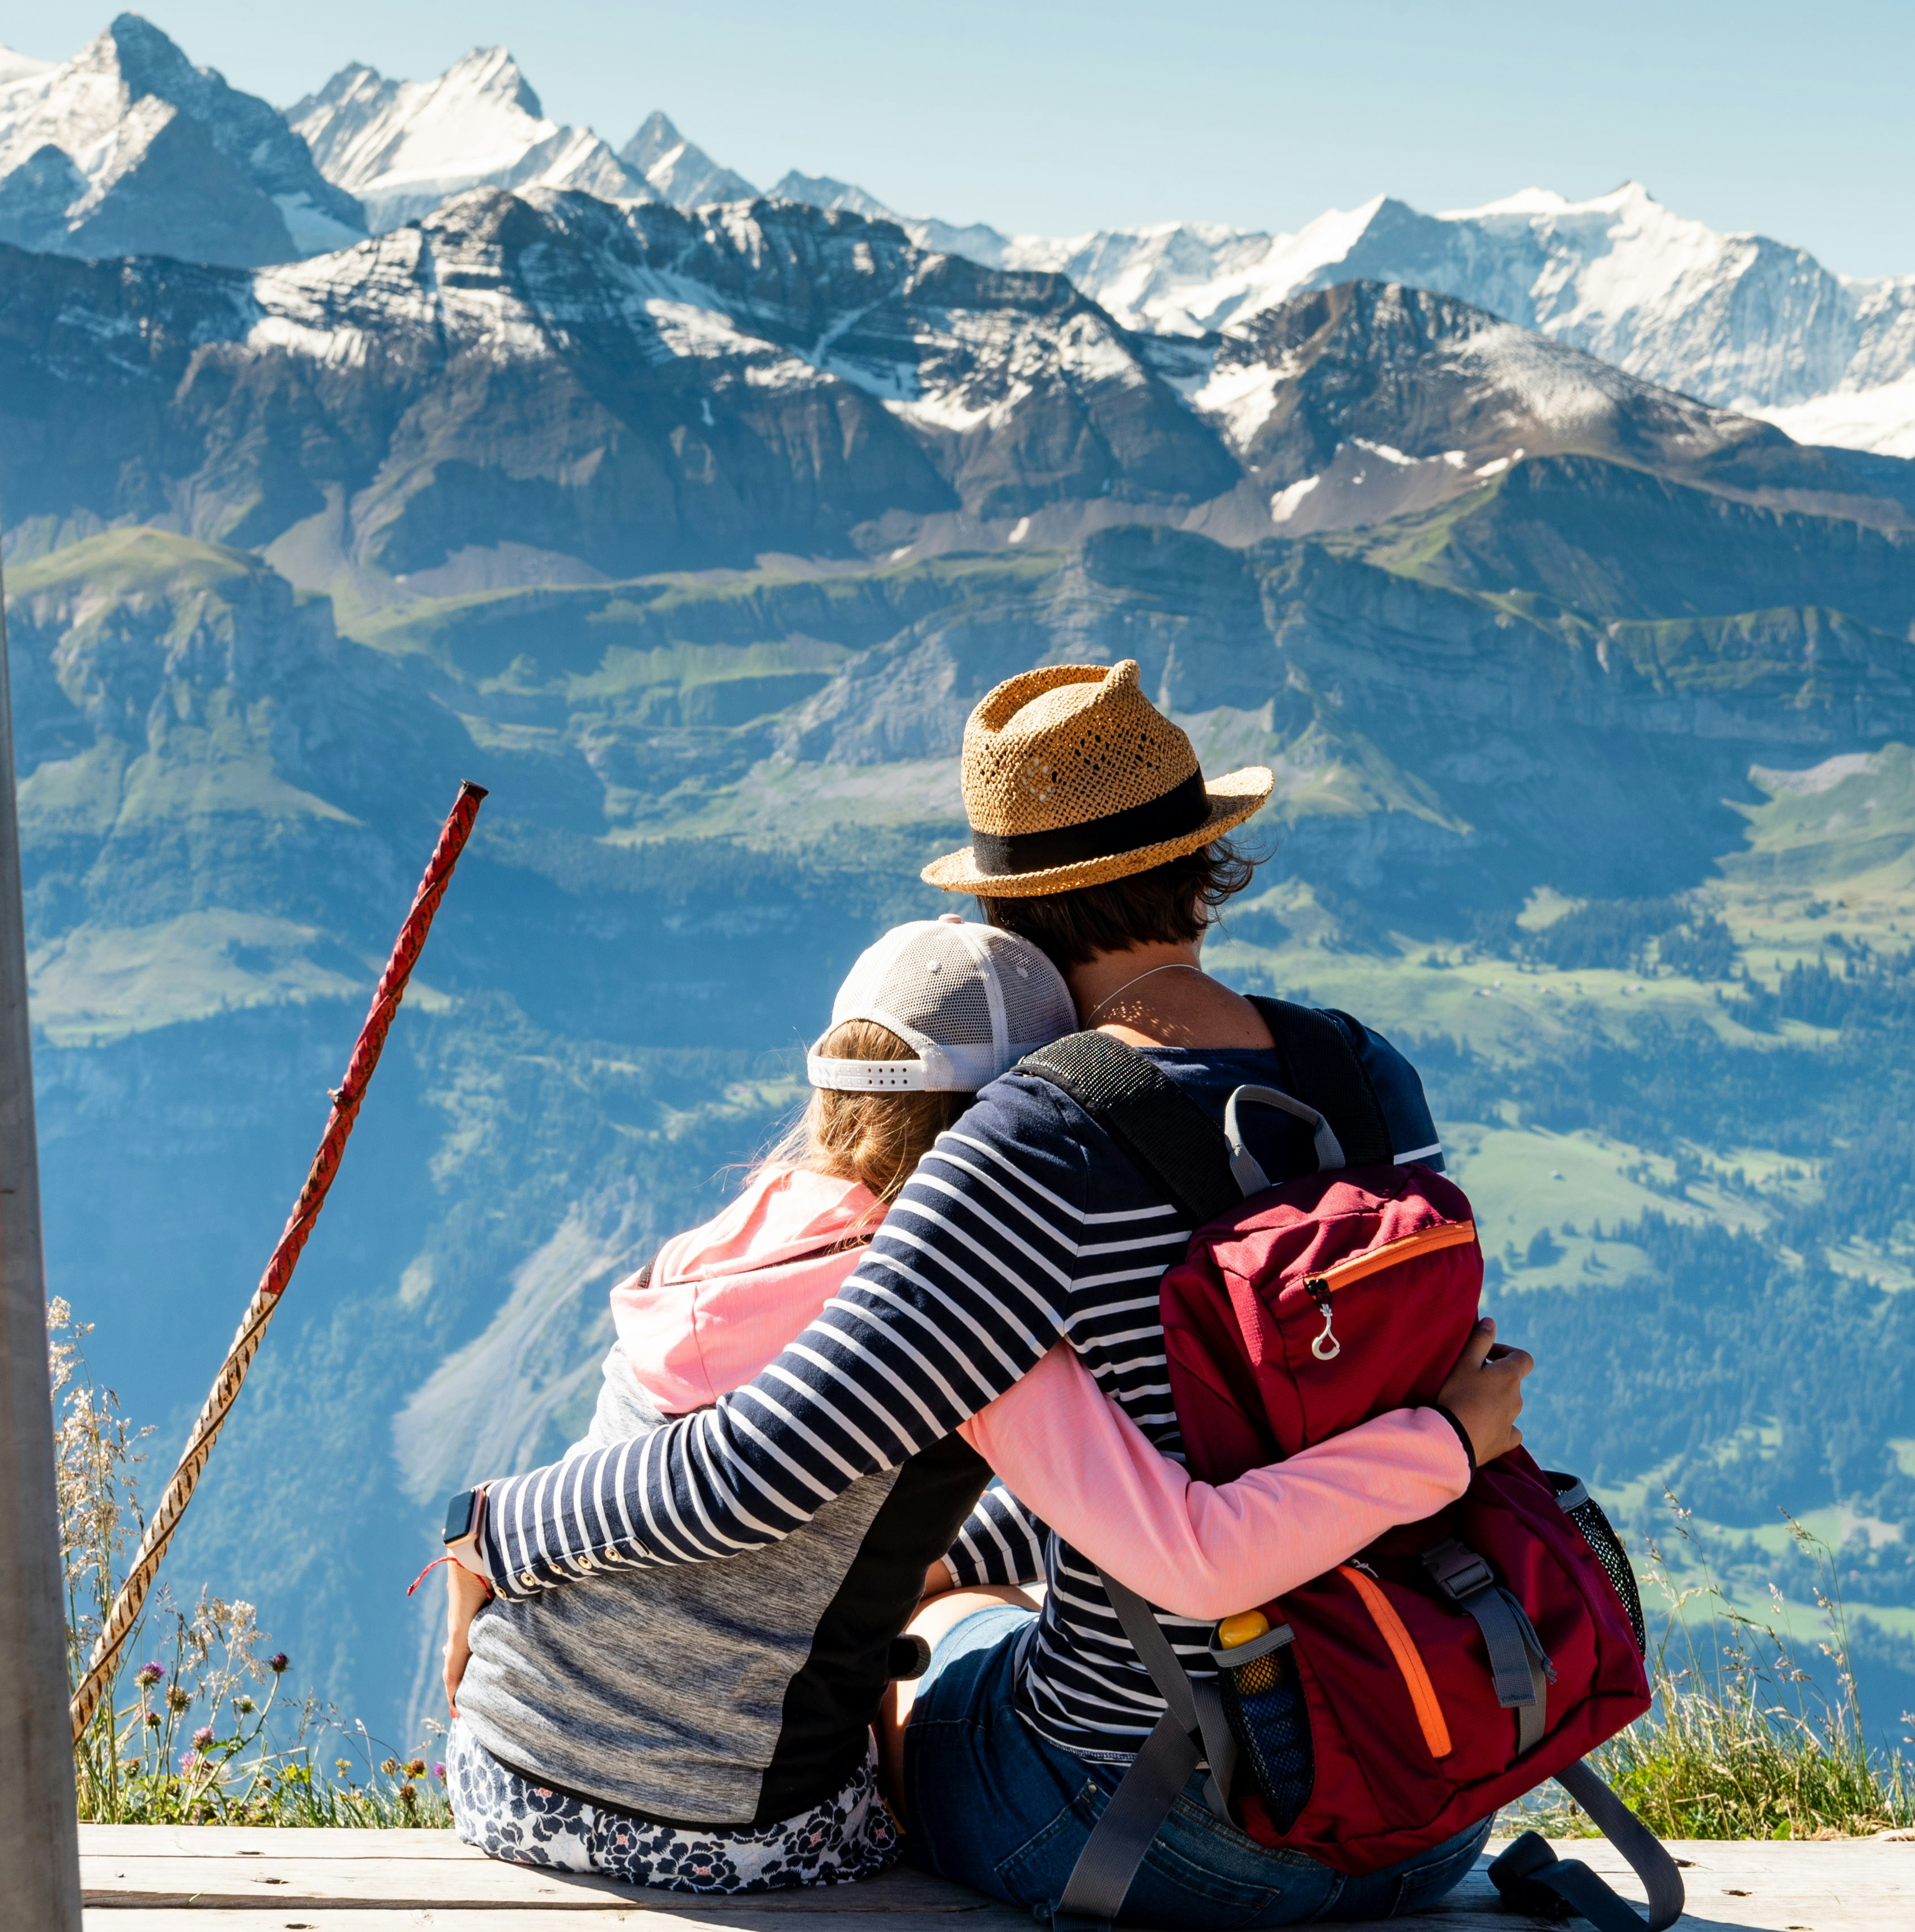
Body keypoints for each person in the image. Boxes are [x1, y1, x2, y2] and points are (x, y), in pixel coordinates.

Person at [443, 660, 1521, 1922]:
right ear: (1202, 863)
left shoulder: (1031, 1140)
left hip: (1172, 1839)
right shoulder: (1362, 1073)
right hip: (1439, 1782)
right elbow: (1268, 1437)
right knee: (984, 1584)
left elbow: (763, 1468)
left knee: (948, 1649)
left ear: (1010, 914)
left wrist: (494, 1526)